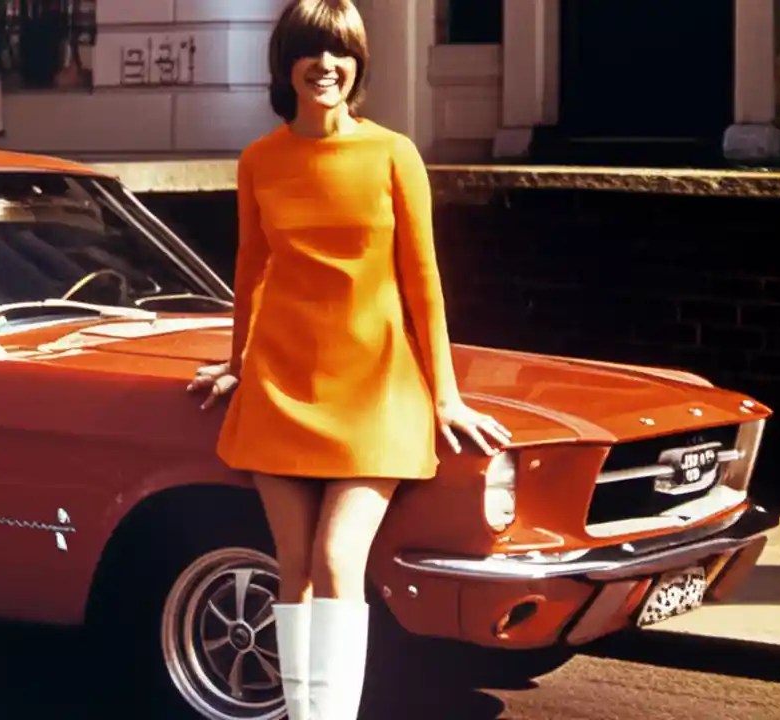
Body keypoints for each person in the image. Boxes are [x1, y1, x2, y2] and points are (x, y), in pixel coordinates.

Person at [186, 1, 512, 718]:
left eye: (340, 52)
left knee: (338, 562)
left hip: (379, 390)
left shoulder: (393, 153)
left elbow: (423, 280)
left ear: (358, 64)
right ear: (287, 66)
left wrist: (447, 395)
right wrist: (236, 360)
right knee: (292, 568)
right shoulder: (259, 160)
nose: (325, 66)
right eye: (310, 51)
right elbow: (251, 271)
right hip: (280, 384)